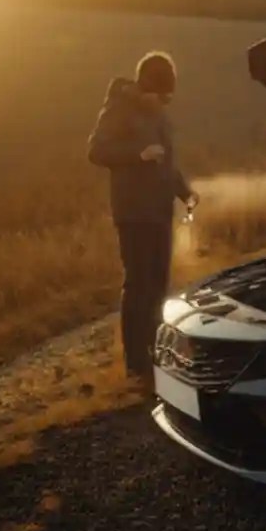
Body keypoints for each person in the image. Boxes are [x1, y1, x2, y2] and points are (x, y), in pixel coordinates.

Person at [87, 51, 198, 385]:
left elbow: (166, 162)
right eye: (161, 94)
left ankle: (156, 352)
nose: (165, 101)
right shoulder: (119, 107)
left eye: (169, 96)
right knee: (138, 286)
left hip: (161, 211)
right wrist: (138, 155)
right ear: (147, 86)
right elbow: (96, 150)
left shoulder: (159, 114)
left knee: (160, 284)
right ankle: (136, 364)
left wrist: (184, 191)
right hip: (133, 213)